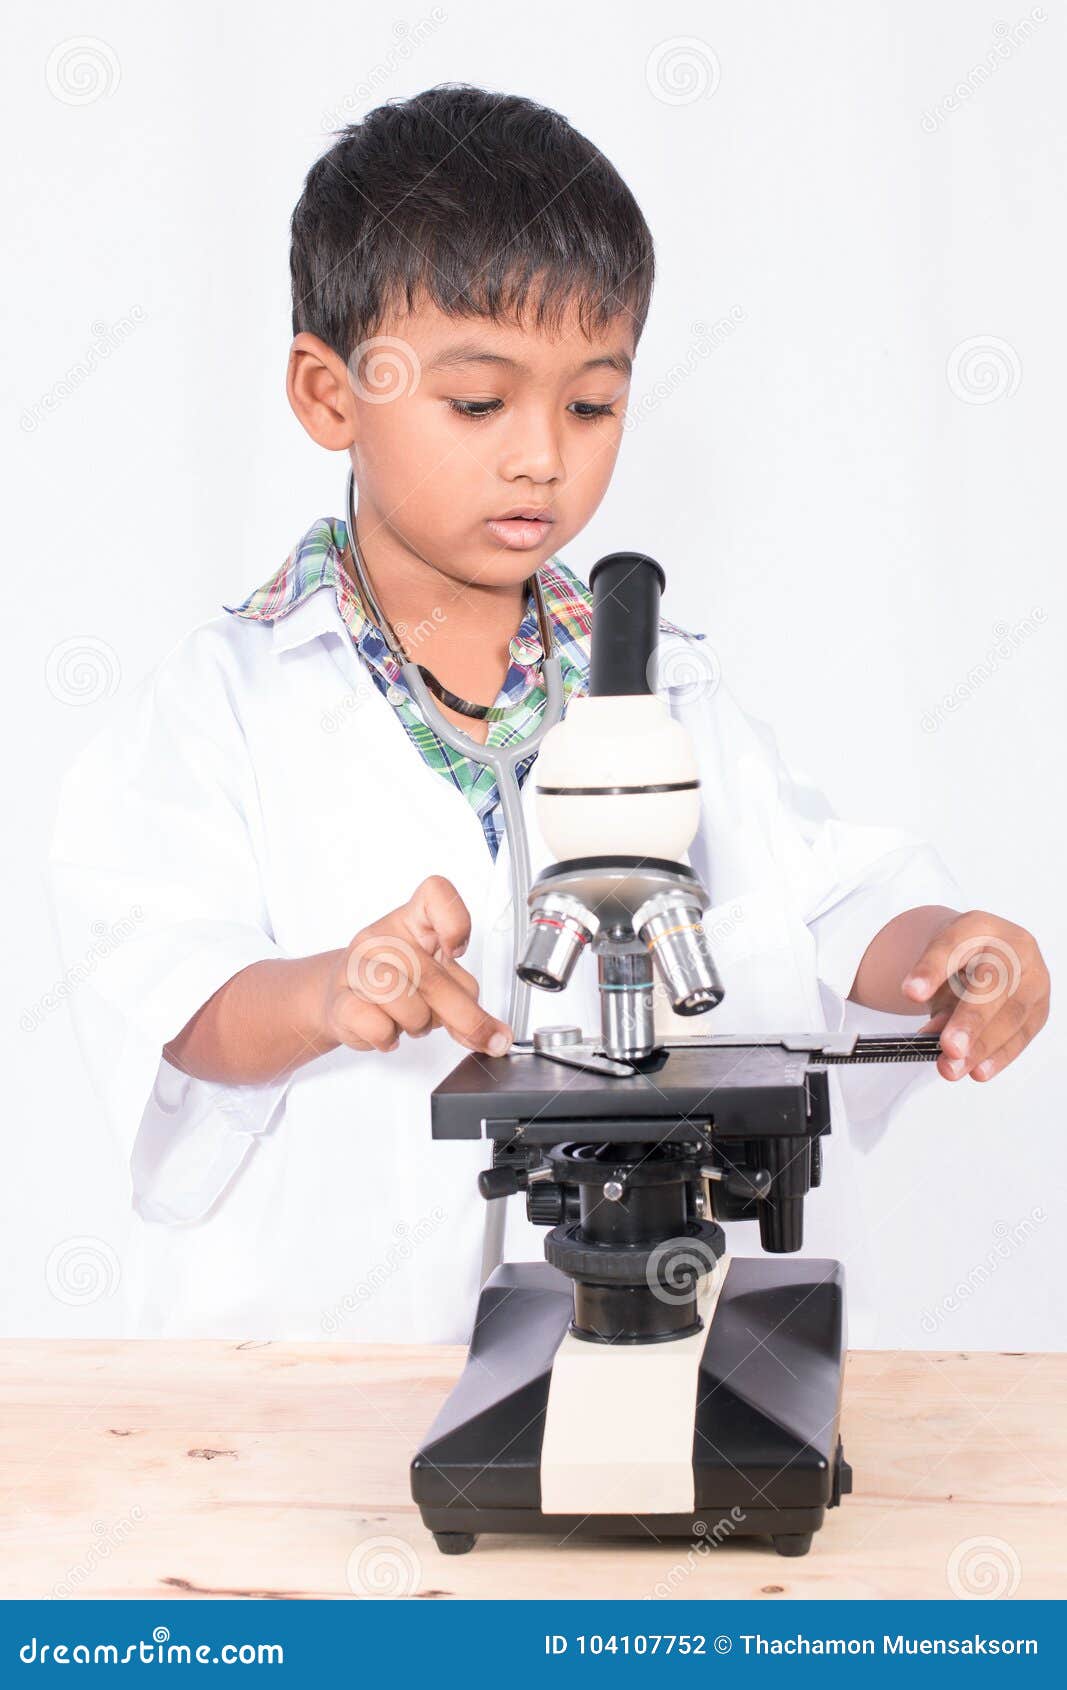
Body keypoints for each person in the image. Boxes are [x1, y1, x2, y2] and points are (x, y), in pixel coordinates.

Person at [47, 85, 1049, 1346]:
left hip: (620, 1317)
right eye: (477, 403)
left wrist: (946, 943)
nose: (541, 457)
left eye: (589, 403)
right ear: (326, 393)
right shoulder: (220, 705)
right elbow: (168, 991)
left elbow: (809, 895)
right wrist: (323, 992)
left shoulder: (661, 681)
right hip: (306, 1359)